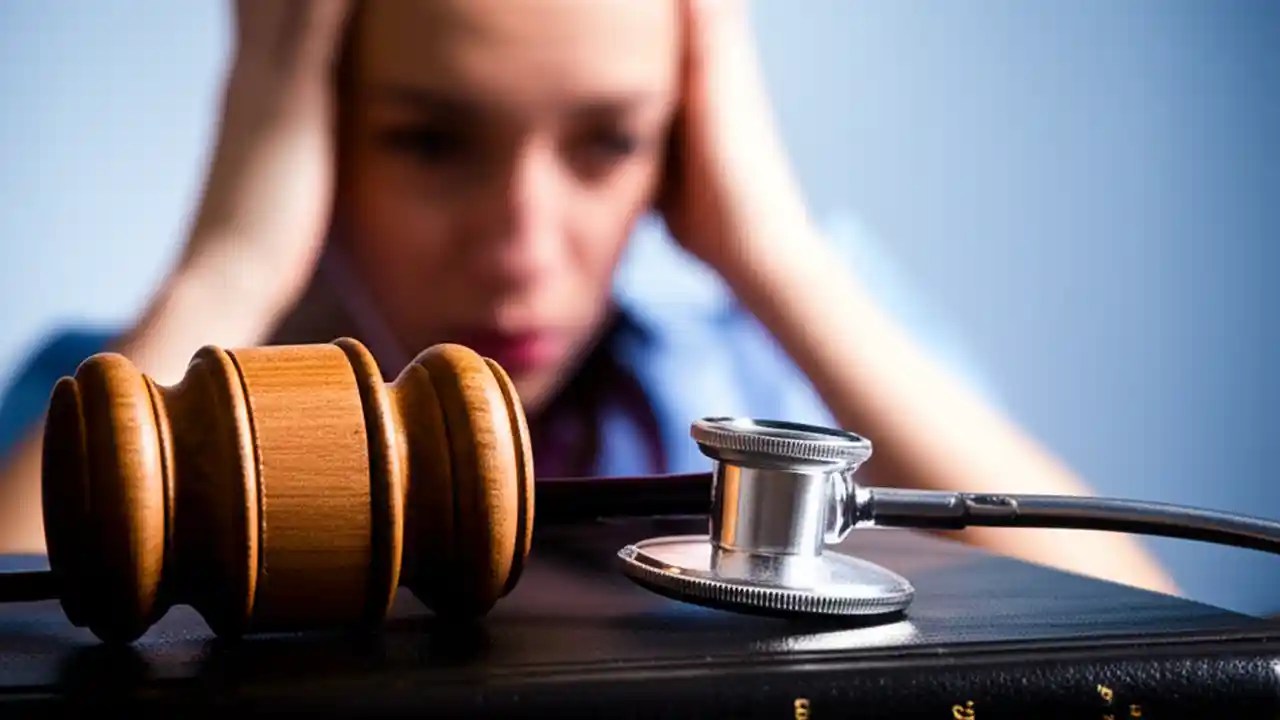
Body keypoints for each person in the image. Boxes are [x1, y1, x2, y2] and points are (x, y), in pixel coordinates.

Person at [0, 0, 1177, 594]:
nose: (523, 251)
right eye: (429, 141)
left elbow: (1138, 643)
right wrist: (230, 262)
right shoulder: (120, 407)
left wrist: (771, 252)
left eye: (608, 143)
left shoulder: (774, 367)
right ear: (302, 128)